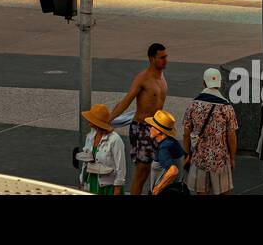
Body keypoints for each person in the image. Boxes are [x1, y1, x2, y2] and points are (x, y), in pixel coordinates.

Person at [108, 43, 169, 195]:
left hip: (157, 129)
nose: (165, 60)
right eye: (161, 58)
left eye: (166, 56)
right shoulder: (143, 78)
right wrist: (108, 119)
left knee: (155, 170)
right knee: (141, 172)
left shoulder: (162, 77)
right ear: (151, 59)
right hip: (141, 128)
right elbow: (126, 100)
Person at [181, 68, 238, 195]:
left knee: (202, 193)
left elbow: (186, 134)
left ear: (204, 83)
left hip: (199, 159)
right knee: (224, 192)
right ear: (220, 83)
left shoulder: (193, 105)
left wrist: (186, 155)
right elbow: (231, 136)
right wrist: (232, 158)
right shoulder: (227, 108)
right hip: (220, 159)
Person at [76, 103, 126, 195]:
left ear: (97, 123)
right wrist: (82, 181)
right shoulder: (90, 136)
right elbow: (85, 163)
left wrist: (117, 190)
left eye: (91, 119)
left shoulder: (115, 140)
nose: (88, 121)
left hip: (109, 187)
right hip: (92, 183)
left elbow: (121, 168)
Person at [145, 110, 186, 195]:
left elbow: (173, 171)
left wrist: (157, 189)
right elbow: (186, 157)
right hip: (177, 189)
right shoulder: (173, 143)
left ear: (159, 130)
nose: (149, 128)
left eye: (151, 126)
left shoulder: (163, 148)